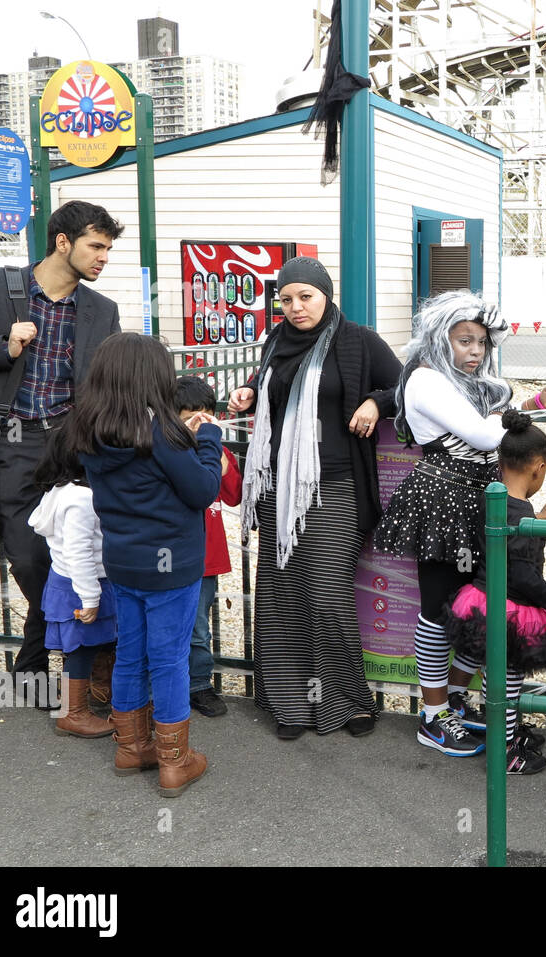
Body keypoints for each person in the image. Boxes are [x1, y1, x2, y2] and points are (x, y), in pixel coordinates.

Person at [373, 290, 546, 757]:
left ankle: (458, 699)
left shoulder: (468, 385)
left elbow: (497, 422)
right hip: (443, 501)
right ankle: (432, 715)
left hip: (480, 501)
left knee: (475, 607)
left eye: (482, 343)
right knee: (438, 609)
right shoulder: (423, 378)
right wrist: (524, 411)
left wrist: (541, 399)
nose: (476, 352)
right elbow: (485, 433)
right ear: (440, 339)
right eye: (465, 341)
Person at [227, 257, 401, 740]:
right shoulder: (276, 341)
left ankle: (346, 702)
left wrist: (375, 401)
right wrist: (247, 391)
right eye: (286, 299)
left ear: (325, 294)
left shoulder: (357, 340)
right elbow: (273, 393)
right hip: (279, 488)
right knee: (282, 595)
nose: (296, 307)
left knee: (327, 596)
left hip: (337, 486)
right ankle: (291, 705)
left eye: (306, 296)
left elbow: (405, 382)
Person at [0, 201, 123, 704]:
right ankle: (93, 653)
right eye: (96, 246)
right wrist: (3, 347)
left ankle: (32, 669)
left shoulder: (103, 311)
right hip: (8, 442)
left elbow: (107, 385)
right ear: (63, 241)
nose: (103, 257)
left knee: (73, 552)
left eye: (107, 248)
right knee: (31, 557)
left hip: (71, 447)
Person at [71, 333, 222, 797]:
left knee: (130, 655)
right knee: (171, 659)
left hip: (124, 563)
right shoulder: (161, 433)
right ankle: (175, 761)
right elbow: (202, 490)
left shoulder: (89, 430)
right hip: (171, 566)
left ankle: (131, 746)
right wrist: (209, 439)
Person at [444, 410, 546, 774]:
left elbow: (511, 537)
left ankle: (462, 706)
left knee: (481, 661)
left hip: (482, 597)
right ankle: (505, 750)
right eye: (545, 470)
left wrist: (540, 518)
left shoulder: (495, 498)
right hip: (511, 608)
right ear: (537, 466)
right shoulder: (518, 511)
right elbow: (519, 570)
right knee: (506, 682)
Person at [27, 426, 117, 738]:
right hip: (85, 585)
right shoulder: (82, 497)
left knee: (91, 645)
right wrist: (91, 597)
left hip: (68, 582)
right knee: (80, 650)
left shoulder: (59, 490)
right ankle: (73, 713)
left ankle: (92, 698)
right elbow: (79, 552)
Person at [176, 376, 241, 719]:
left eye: (205, 415)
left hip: (207, 558)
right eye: (190, 416)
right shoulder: (171, 451)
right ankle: (171, 686)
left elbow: (234, 495)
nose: (198, 424)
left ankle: (199, 684)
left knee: (199, 626)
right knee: (174, 625)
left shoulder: (219, 451)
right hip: (176, 556)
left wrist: (223, 460)